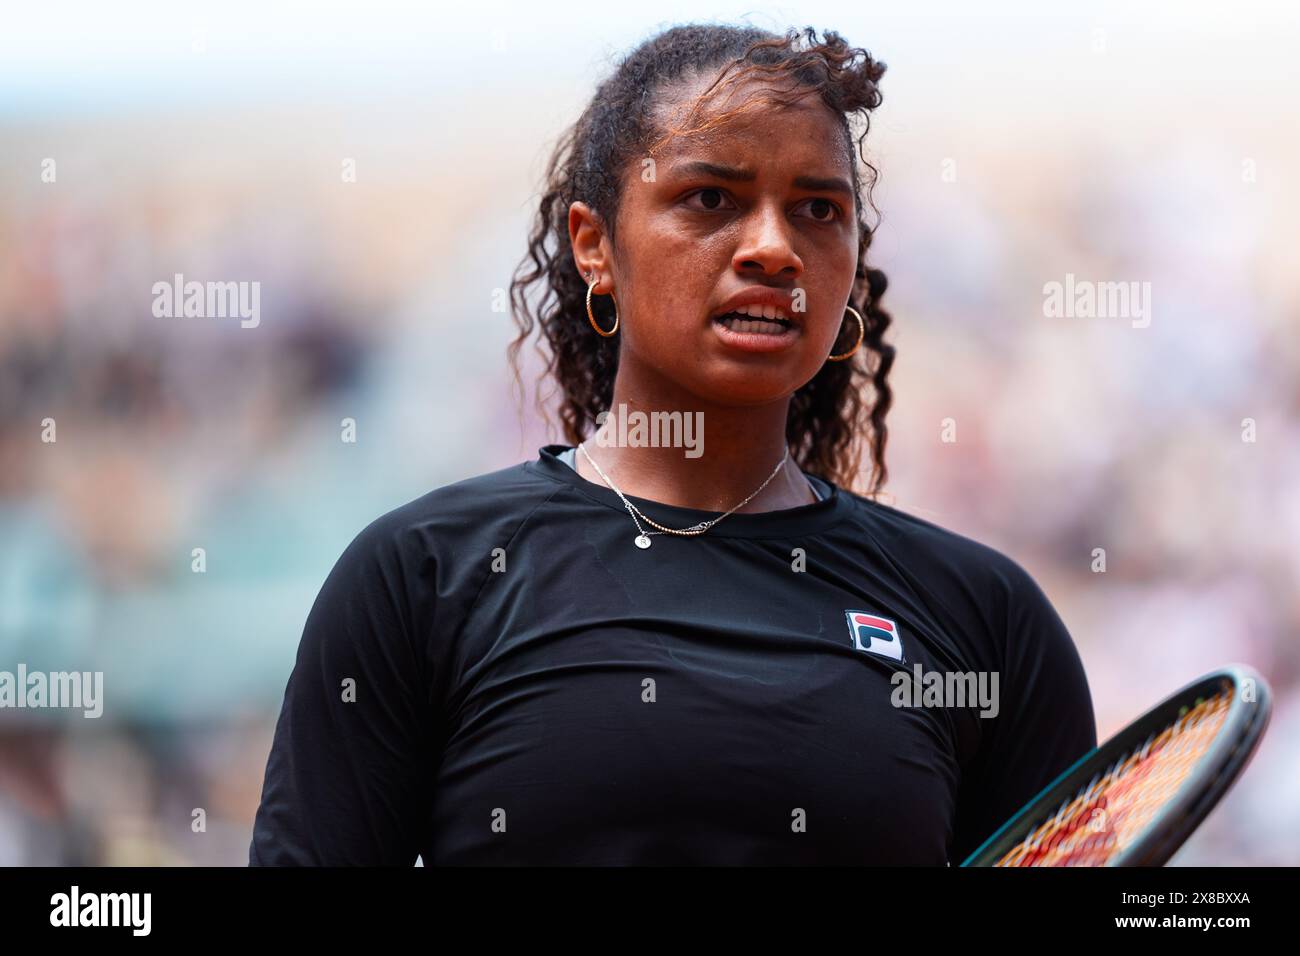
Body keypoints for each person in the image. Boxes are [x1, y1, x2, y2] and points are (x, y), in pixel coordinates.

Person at [249, 23, 1096, 866]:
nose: (774, 248)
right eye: (710, 199)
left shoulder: (987, 622)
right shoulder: (423, 576)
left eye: (817, 210)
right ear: (595, 247)